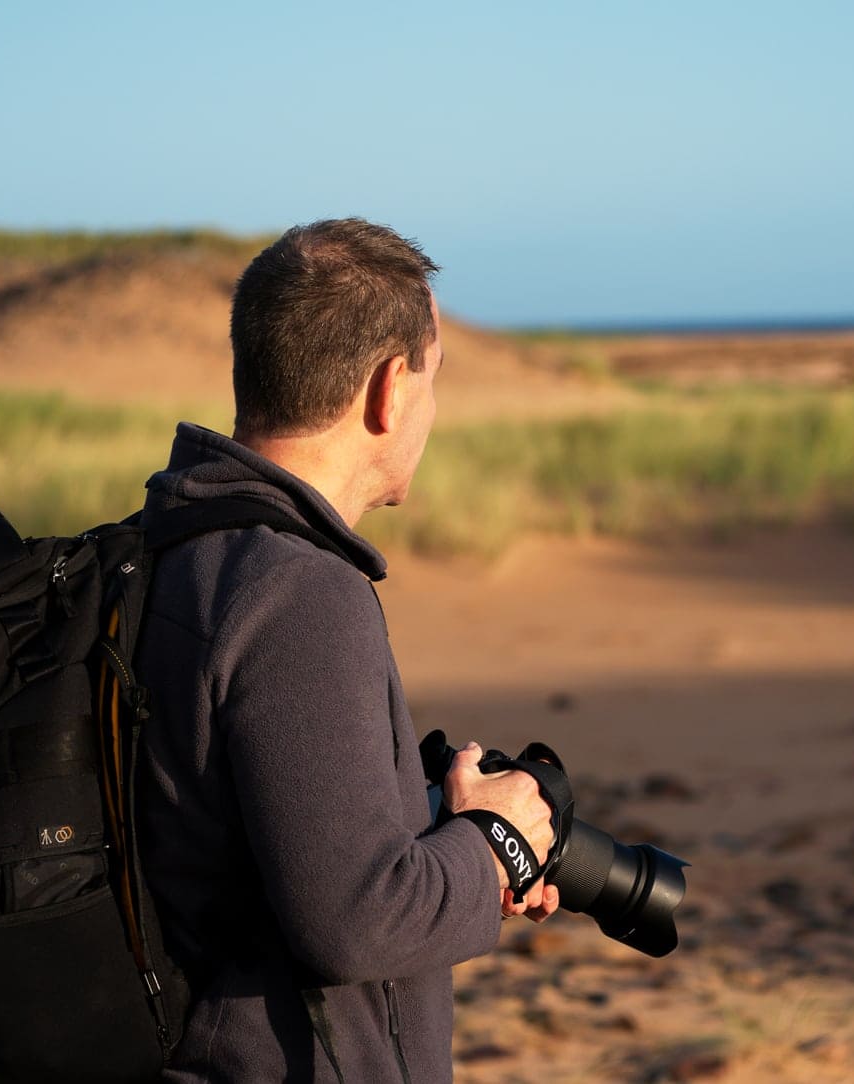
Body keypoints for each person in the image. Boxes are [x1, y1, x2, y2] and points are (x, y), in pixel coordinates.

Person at [135, 218, 558, 1083]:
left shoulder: (164, 550)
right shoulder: (297, 594)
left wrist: (446, 843)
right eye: (435, 378)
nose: (431, 410)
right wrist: (494, 842)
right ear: (389, 389)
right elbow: (358, 921)